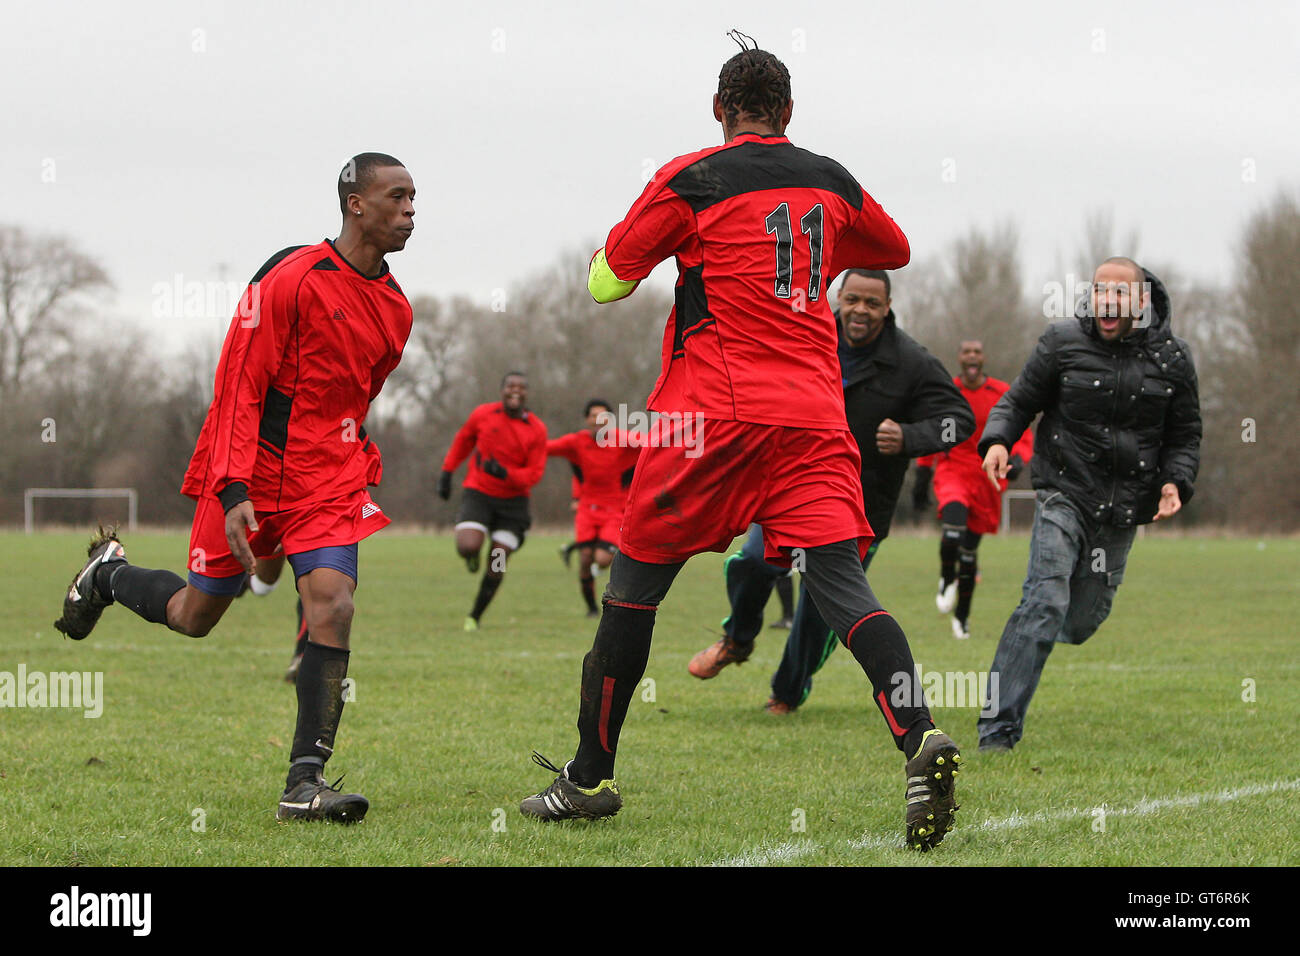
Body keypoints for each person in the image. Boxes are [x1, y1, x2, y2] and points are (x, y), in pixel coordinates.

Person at [519, 36, 962, 851]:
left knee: (634, 589)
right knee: (841, 586)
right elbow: (893, 248)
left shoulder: (692, 176)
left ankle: (589, 778)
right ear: (789, 114)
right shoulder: (829, 177)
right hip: (816, 419)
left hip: (710, 418)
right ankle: (919, 733)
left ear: (719, 111)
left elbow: (605, 281)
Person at [54, 152, 416, 822]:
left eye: (414, 199)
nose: (410, 211)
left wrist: (354, 455)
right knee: (195, 616)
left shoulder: (396, 309)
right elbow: (238, 387)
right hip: (252, 474)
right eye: (396, 197)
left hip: (329, 483)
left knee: (332, 604)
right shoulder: (290, 280)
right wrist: (230, 488)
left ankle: (304, 783)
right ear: (354, 204)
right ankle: (108, 576)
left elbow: (357, 397)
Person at [688, 269, 974, 713]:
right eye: (853, 299)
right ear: (838, 298)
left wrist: (910, 436)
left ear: (888, 306)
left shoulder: (911, 362)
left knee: (819, 612)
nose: (861, 310)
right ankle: (737, 640)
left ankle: (785, 693)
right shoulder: (807, 335)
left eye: (873, 303)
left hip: (858, 508)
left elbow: (959, 419)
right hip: (791, 487)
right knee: (751, 563)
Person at [976, 257, 1200, 751]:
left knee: (1076, 623)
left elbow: (1184, 436)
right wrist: (997, 440)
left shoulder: (1174, 359)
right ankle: (998, 731)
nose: (1108, 300)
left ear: (1141, 302)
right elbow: (1019, 401)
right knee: (1044, 602)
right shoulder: (1062, 342)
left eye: (1120, 293)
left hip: (1123, 509)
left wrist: (1175, 484)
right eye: (1100, 290)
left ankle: (1026, 641)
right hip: (1064, 492)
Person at [914, 340, 1033, 640]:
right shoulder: (948, 390)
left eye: (976, 352)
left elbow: (1017, 426)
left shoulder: (1000, 391)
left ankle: (962, 615)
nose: (971, 357)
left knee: (969, 550)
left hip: (986, 474)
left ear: (982, 358)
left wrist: (1017, 458)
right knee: (952, 529)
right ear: (960, 357)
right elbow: (935, 428)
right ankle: (945, 578)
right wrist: (922, 473)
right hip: (953, 470)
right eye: (966, 352)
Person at [437, 373, 548, 631]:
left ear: (526, 394)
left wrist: (506, 474)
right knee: (467, 545)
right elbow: (463, 441)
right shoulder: (483, 415)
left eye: (521, 387)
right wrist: (447, 472)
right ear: (502, 390)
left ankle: (474, 616)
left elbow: (535, 474)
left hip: (513, 506)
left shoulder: (537, 429)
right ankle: (472, 556)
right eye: (511, 386)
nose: (515, 391)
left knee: (497, 560)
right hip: (479, 495)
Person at [545, 399, 641, 616]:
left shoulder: (623, 440)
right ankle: (591, 608)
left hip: (614, 509)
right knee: (586, 559)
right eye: (593, 416)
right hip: (587, 509)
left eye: (603, 416)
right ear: (586, 419)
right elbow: (545, 448)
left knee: (602, 559)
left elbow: (653, 445)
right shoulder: (576, 442)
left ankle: (613, 551)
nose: (598, 420)